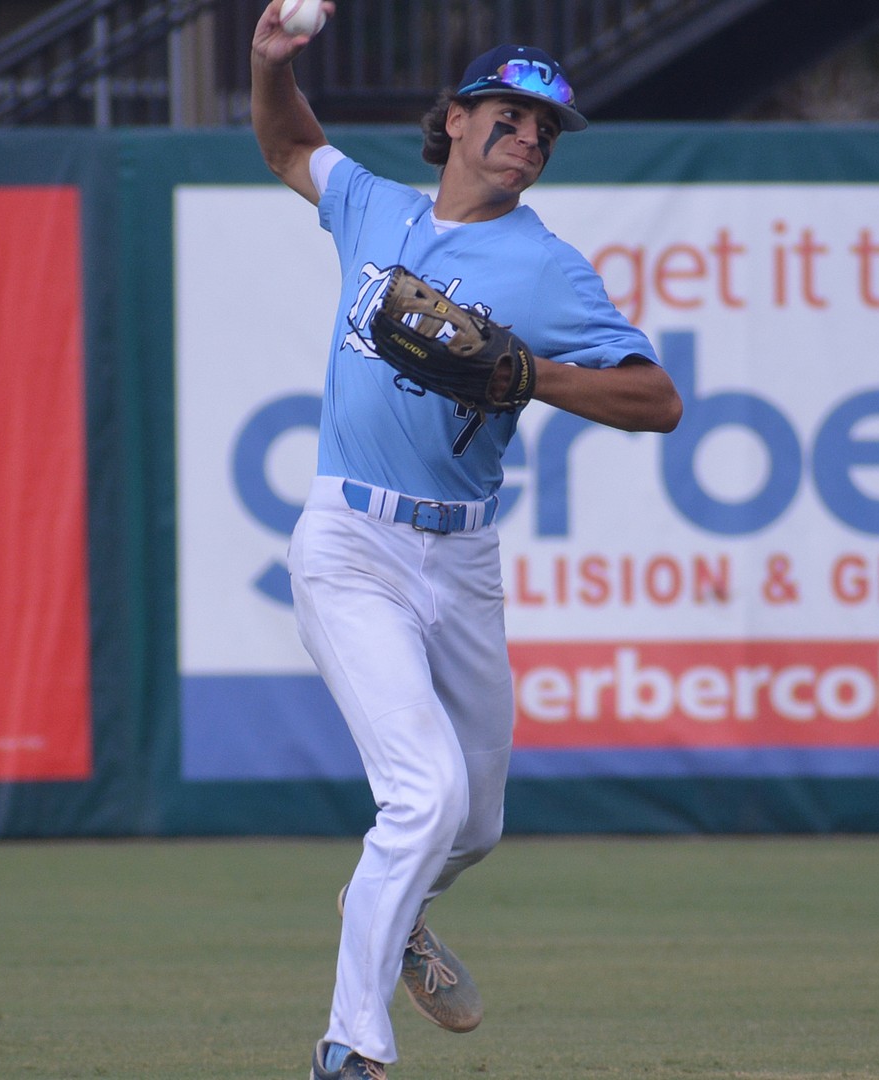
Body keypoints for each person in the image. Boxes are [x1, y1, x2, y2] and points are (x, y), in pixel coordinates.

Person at [250, 6, 684, 1078]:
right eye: (508, 113)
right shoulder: (373, 209)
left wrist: (537, 376)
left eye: (546, 127)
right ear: (453, 120)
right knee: (425, 792)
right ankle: (352, 1047)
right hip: (351, 540)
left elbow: (657, 399)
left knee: (476, 823)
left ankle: (386, 908)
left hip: (462, 558)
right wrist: (266, 64)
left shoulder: (547, 269)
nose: (529, 137)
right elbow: (291, 145)